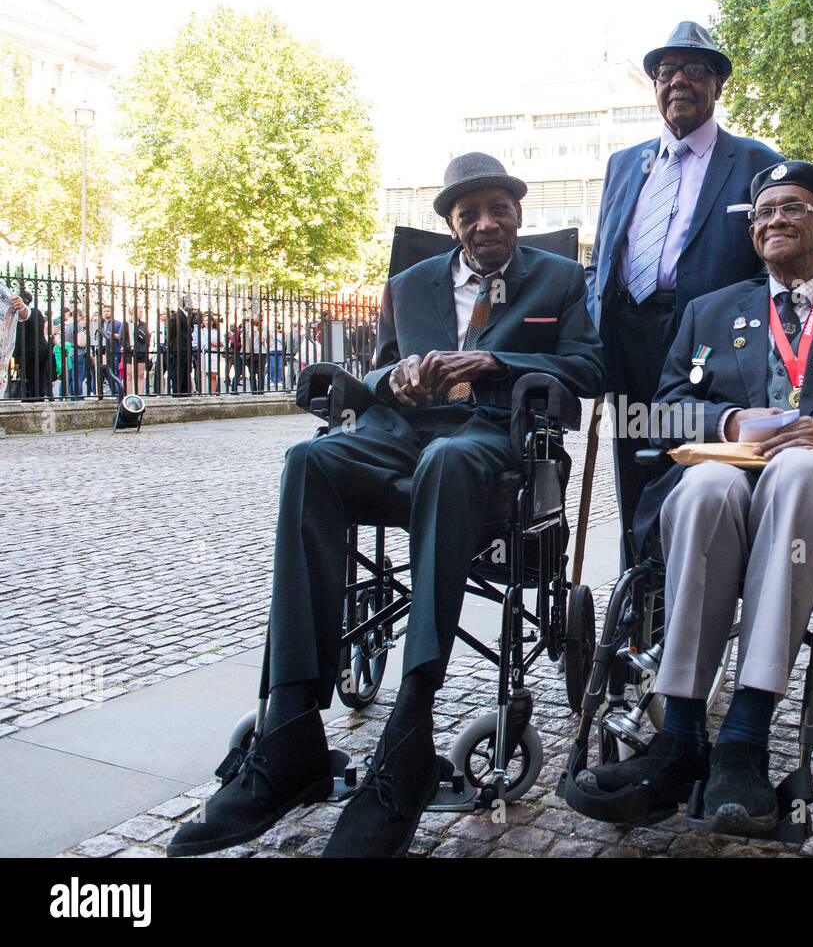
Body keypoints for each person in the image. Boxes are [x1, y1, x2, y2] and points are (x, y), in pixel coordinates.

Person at [168, 152, 603, 859]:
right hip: (400, 431)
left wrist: (495, 363)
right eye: (471, 214)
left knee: (449, 460)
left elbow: (588, 367)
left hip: (493, 439)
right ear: (453, 226)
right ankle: (290, 730)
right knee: (308, 461)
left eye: (500, 209)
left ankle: (410, 728)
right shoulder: (409, 284)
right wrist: (394, 374)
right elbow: (375, 368)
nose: (487, 223)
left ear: (519, 213)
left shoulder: (560, 279)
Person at [575, 161, 813, 835]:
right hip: (725, 484)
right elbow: (666, 409)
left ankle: (743, 732)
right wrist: (725, 423)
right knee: (705, 484)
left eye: (792, 207)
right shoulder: (708, 312)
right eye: (763, 211)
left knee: (797, 470)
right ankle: (681, 735)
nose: (774, 220)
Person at [586, 21, 783, 562]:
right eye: (666, 71)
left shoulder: (754, 161)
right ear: (653, 86)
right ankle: (638, 595)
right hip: (625, 334)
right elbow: (604, 254)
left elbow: (773, 260)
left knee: (695, 454)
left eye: (695, 71)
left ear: (718, 86)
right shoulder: (624, 164)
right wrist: (590, 324)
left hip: (706, 339)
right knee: (634, 457)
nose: (678, 82)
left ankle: (694, 582)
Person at [167, 297, 195, 395]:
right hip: (179, 348)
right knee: (179, 372)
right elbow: (170, 332)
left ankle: (185, 392)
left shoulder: (187, 316)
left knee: (186, 372)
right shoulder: (176, 316)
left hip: (186, 348)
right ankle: (177, 392)